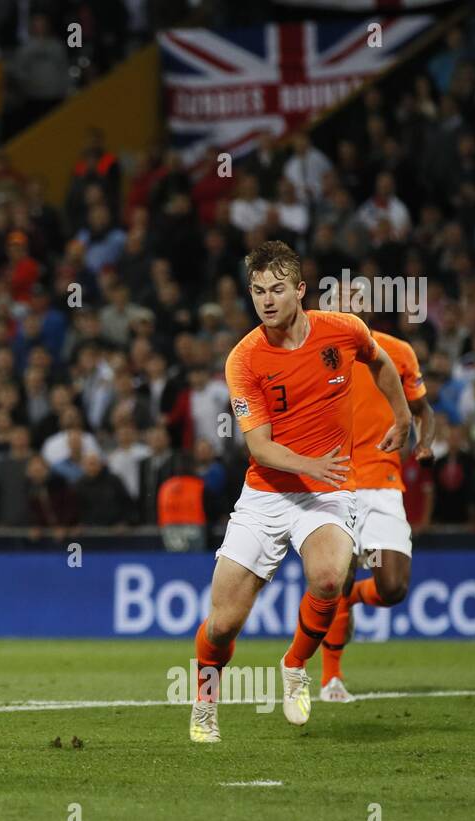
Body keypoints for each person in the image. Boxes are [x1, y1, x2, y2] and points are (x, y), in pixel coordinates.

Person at [190, 241, 411, 743]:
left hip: (327, 491)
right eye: (257, 290)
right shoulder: (244, 359)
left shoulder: (344, 330)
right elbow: (261, 449)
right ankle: (205, 703)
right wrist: (313, 463)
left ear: (300, 290)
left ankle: (295, 666)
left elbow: (379, 362)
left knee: (330, 577)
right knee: (223, 624)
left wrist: (402, 416)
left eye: (276, 289)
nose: (266, 300)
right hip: (267, 493)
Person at [319, 324, 435, 702]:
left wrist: (425, 441)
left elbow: (422, 411)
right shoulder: (316, 350)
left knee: (393, 587)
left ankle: (351, 600)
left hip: (384, 484)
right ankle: (331, 679)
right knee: (337, 576)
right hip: (337, 482)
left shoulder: (397, 351)